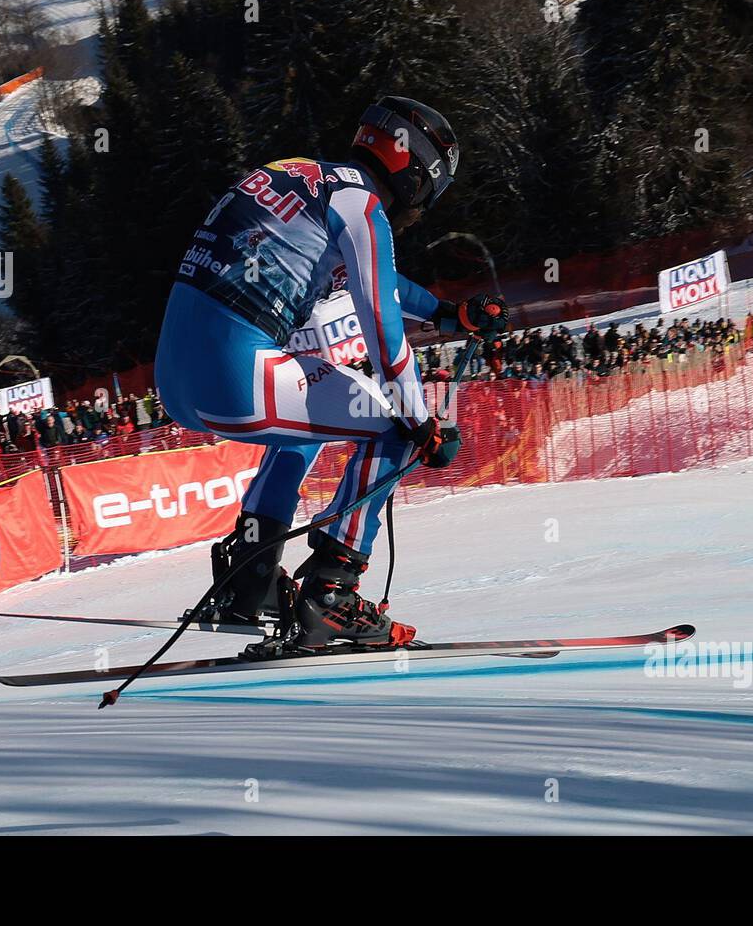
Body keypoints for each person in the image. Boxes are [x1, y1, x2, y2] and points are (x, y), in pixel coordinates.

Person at [155, 96, 505, 655]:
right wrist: (420, 422)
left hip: (175, 380)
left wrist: (444, 313)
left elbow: (375, 280)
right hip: (232, 375)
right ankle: (332, 594)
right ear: (418, 174)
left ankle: (249, 578)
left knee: (302, 428)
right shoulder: (361, 206)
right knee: (388, 428)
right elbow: (383, 327)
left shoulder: (297, 175)